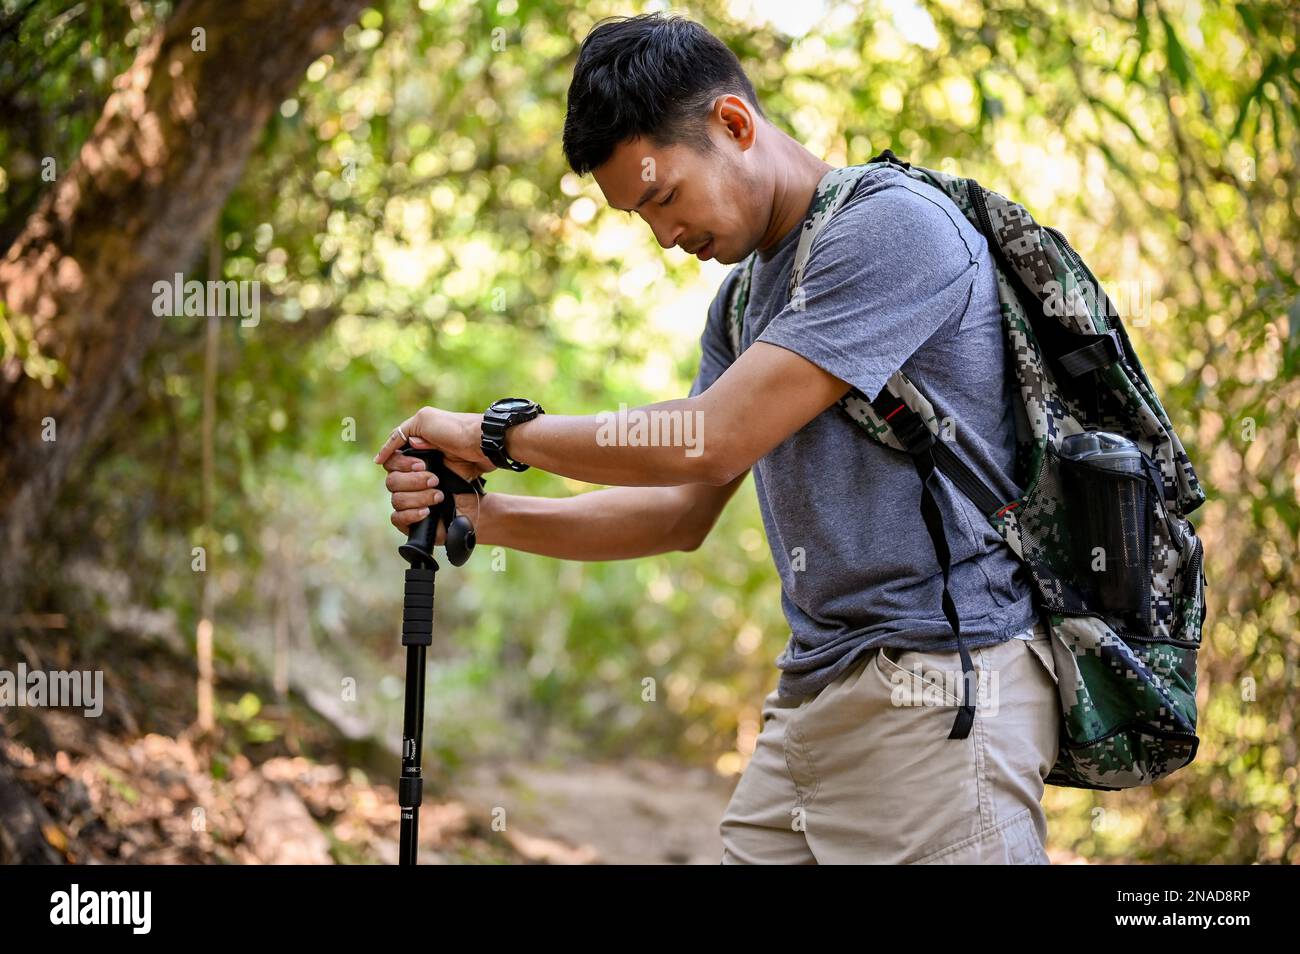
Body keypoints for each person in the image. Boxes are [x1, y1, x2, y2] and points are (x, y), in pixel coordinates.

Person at [373, 12, 1061, 864]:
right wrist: (478, 515)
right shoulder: (741, 303)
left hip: (936, 697)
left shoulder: (892, 230)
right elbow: (678, 512)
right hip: (815, 698)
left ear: (734, 125)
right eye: (639, 216)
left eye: (662, 196)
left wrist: (498, 432)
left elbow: (712, 439)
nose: (664, 236)